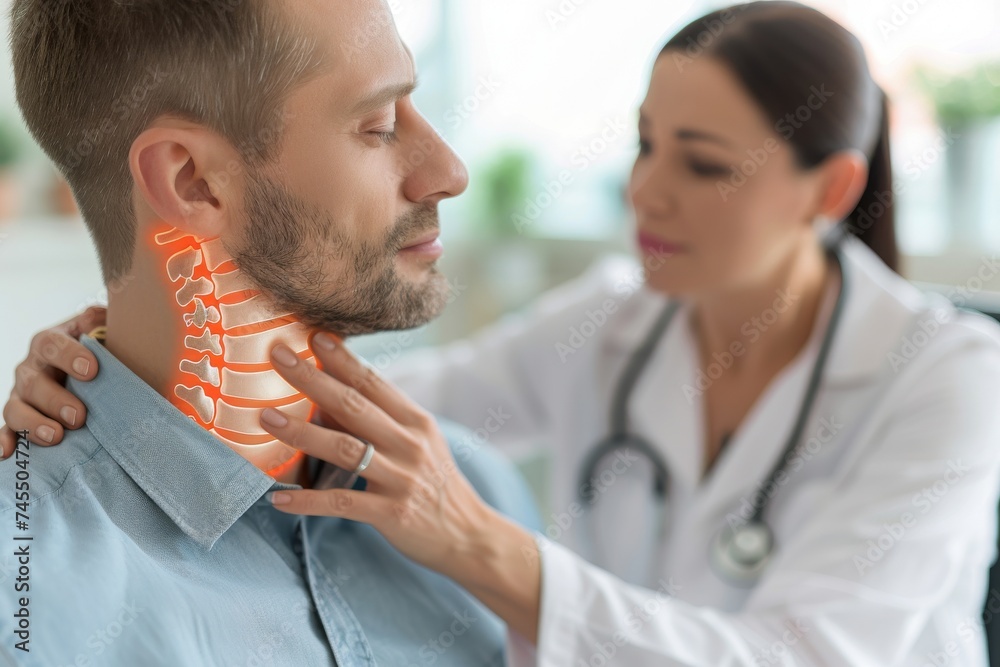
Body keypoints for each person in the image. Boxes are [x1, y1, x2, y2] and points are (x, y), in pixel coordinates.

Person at [6, 1, 1000, 664]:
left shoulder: (949, 373)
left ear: (828, 191)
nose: (645, 191)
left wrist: (488, 550)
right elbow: (349, 405)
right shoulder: (614, 323)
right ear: (193, 183)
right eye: (375, 122)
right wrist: (95, 369)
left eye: (701, 163)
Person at [0, 0, 541, 665]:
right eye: (378, 126)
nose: (450, 171)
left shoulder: (478, 499)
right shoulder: (25, 596)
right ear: (191, 181)